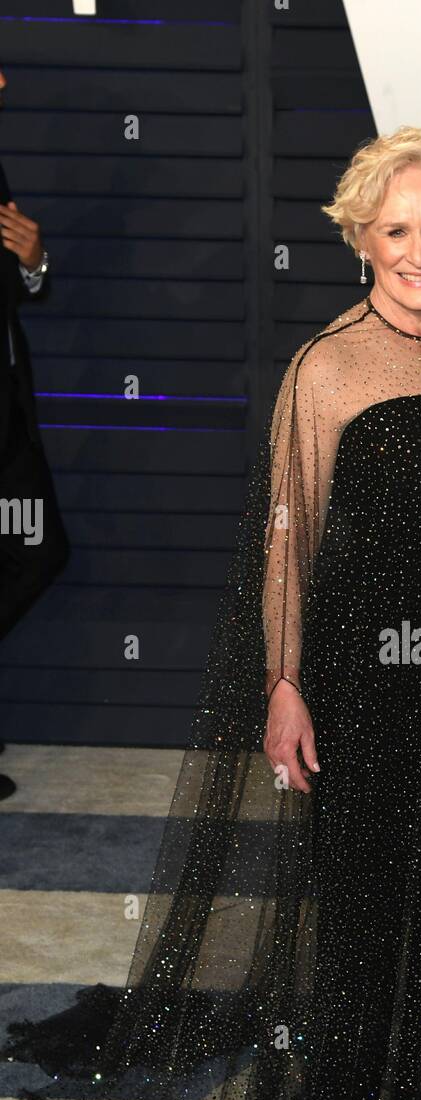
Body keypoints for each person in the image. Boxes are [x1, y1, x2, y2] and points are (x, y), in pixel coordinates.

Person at [9, 127, 421, 1100]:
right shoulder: (324, 369)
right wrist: (283, 682)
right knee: (359, 918)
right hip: (365, 679)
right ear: (361, 238)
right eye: (395, 230)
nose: (419, 251)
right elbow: (286, 538)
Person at [0, 65, 65, 800]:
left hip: (8, 415)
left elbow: (15, 285)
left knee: (37, 549)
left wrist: (34, 261)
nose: (5, 81)